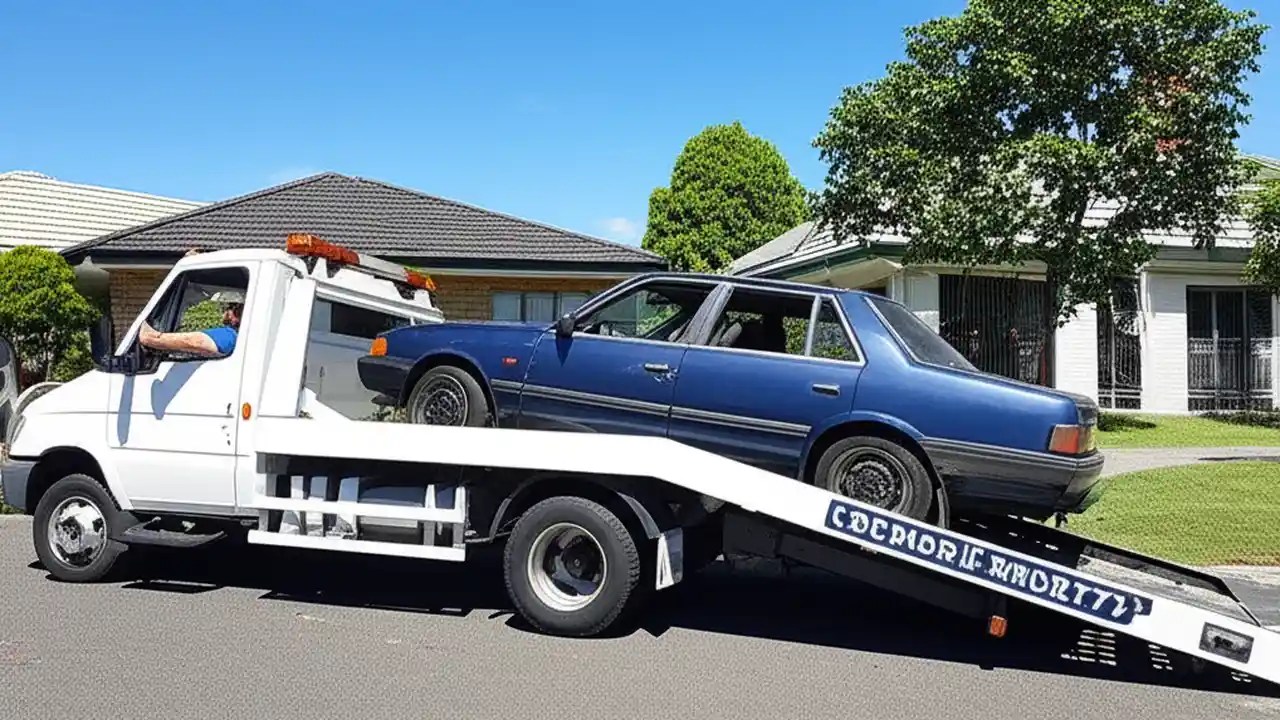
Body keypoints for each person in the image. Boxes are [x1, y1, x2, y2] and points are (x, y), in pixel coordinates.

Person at [138, 290, 244, 358]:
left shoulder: (230, 335)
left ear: (238, 312)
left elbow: (195, 342)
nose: (224, 314)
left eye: (228, 308)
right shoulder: (245, 336)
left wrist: (152, 339)